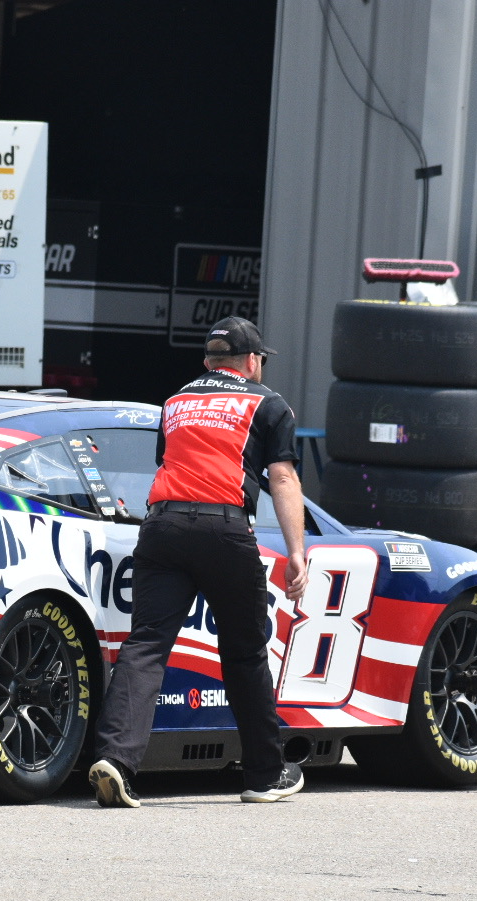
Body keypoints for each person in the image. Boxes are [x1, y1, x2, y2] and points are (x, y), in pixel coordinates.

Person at [86, 316, 311, 809]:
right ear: (252, 362)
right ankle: (263, 776)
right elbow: (283, 479)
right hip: (224, 529)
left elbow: (168, 464)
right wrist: (296, 552)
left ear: (208, 362)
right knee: (245, 652)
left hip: (162, 525)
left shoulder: (175, 402)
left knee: (146, 644)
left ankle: (116, 761)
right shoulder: (268, 403)